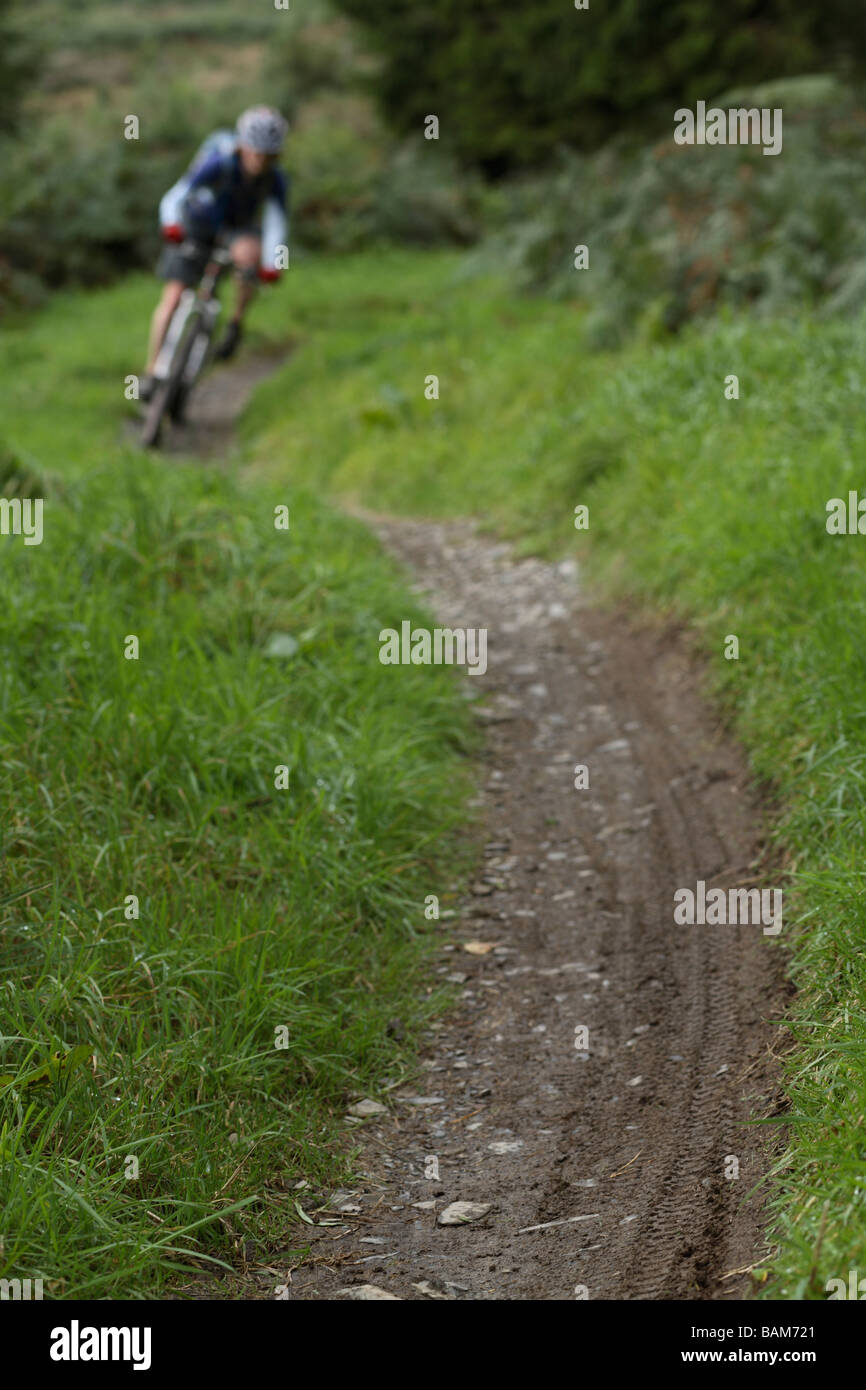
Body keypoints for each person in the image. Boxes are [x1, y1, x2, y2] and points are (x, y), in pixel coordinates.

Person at [141, 106, 289, 399]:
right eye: (255, 152)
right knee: (172, 298)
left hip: (237, 229)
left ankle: (236, 322)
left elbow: (277, 224)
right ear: (243, 147)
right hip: (197, 225)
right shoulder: (218, 163)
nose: (259, 161)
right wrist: (171, 226)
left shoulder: (276, 181)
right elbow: (176, 195)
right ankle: (151, 371)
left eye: (267, 155)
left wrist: (274, 264)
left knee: (249, 257)